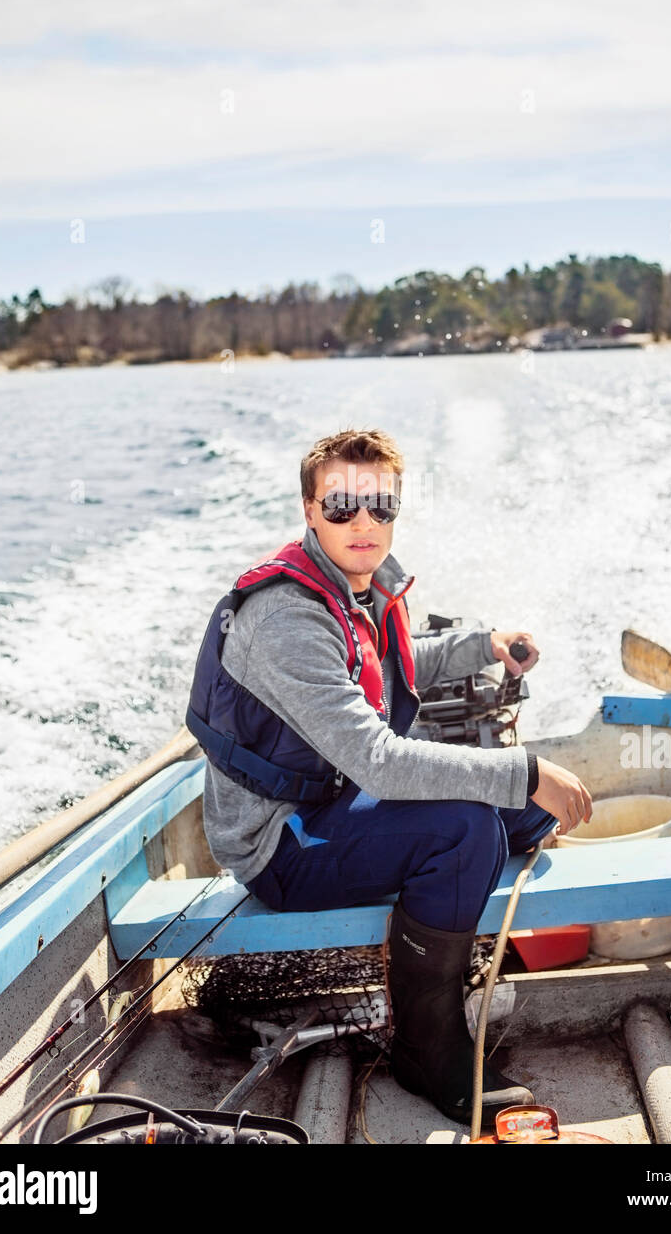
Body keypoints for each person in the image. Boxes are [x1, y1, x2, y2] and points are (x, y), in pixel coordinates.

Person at [187, 427, 592, 1125]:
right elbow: (378, 758)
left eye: (380, 506)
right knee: (468, 828)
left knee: (518, 819)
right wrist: (521, 770)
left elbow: (392, 663)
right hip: (281, 842)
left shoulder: (357, 583)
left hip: (336, 796)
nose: (363, 522)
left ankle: (440, 926)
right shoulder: (286, 616)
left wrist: (481, 645)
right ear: (310, 511)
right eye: (341, 505)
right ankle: (426, 1048)